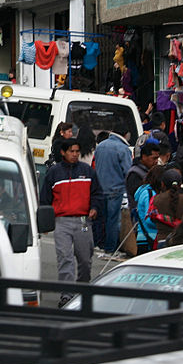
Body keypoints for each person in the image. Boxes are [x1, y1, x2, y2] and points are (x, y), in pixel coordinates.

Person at [40, 141, 101, 305]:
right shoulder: (54, 173)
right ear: (63, 152)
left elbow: (97, 193)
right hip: (61, 222)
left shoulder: (88, 171)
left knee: (85, 260)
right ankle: (66, 295)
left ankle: (82, 291)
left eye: (77, 151)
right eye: (71, 151)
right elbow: (45, 199)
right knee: (65, 259)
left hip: (83, 221)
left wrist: (94, 208)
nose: (75, 154)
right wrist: (44, 222)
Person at [92, 128, 133, 256]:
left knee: (100, 218)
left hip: (99, 188)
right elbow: (128, 171)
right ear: (125, 134)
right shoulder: (123, 149)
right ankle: (110, 248)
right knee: (113, 220)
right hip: (115, 189)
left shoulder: (101, 146)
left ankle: (98, 243)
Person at [150, 168, 183, 248]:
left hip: (162, 241)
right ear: (180, 184)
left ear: (162, 184)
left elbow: (152, 219)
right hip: (182, 240)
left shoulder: (156, 200)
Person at [134, 164, 164, 255]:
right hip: (148, 237)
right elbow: (149, 217)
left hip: (144, 236)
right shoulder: (149, 193)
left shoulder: (145, 191)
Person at [126, 141, 160, 207]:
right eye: (154, 158)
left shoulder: (150, 170)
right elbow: (137, 197)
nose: (156, 161)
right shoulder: (134, 173)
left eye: (157, 158)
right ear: (144, 157)